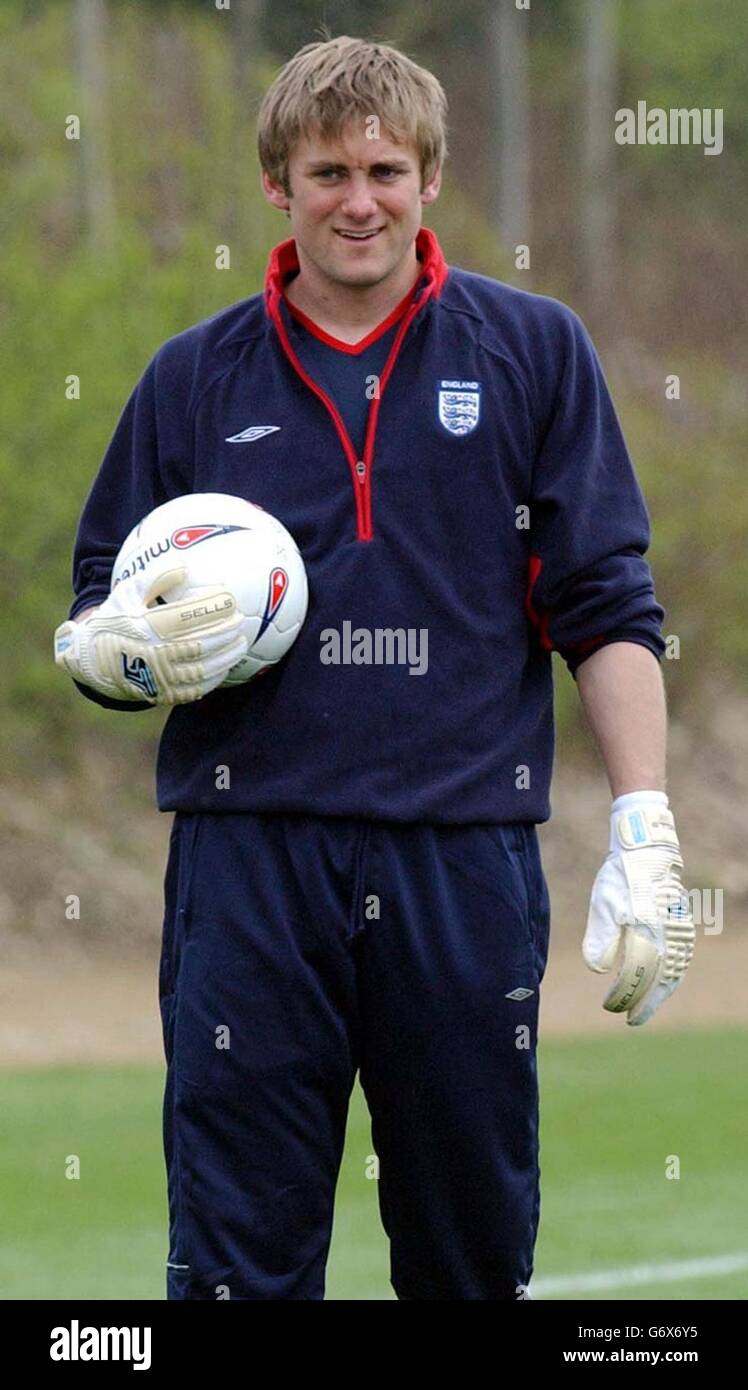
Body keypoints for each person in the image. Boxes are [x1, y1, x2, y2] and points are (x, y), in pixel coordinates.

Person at [54, 35, 694, 1301]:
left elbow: (607, 604)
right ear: (277, 186)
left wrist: (644, 821)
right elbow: (97, 620)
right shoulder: (193, 377)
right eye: (328, 169)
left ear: (430, 177)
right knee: (239, 1265)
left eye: (386, 169)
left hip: (460, 857)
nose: (360, 198)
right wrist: (115, 656)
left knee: (468, 1260)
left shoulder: (534, 351)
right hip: (251, 865)